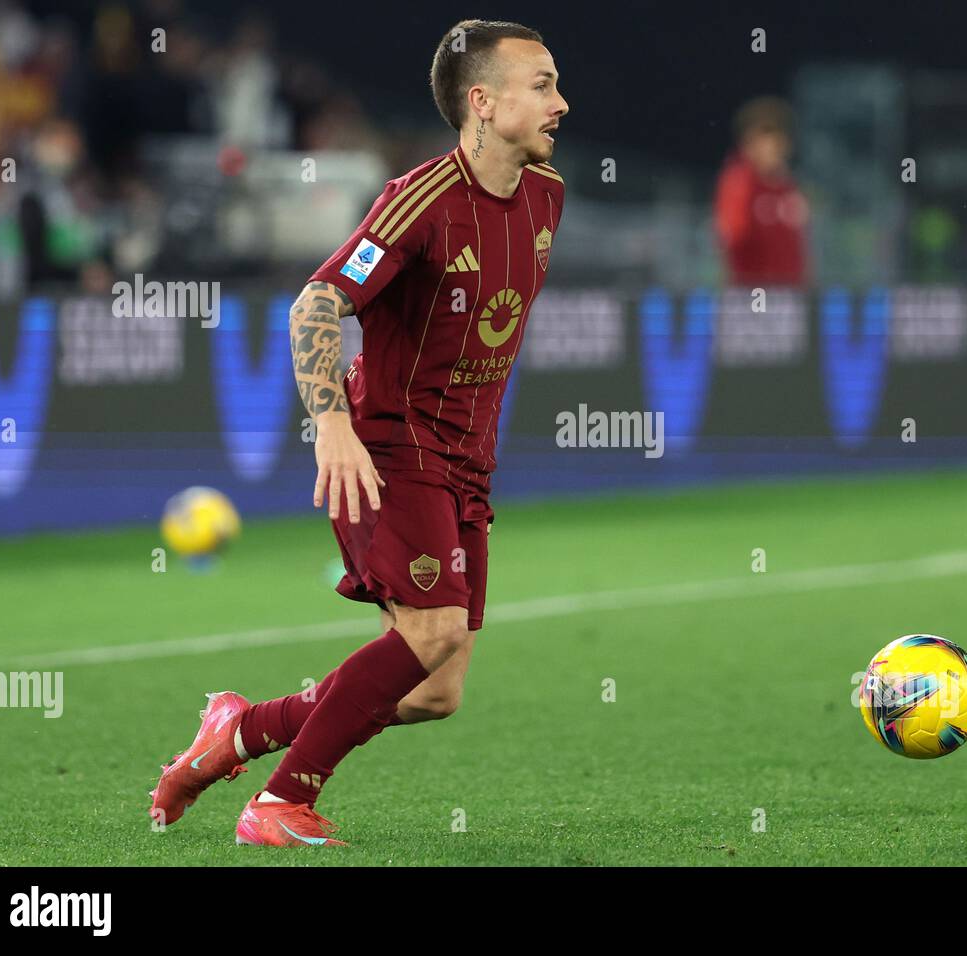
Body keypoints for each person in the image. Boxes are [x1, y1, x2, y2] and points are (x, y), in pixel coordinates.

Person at [149, 18, 569, 847]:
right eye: (543, 85)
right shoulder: (418, 202)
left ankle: (232, 732)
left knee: (434, 691)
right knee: (434, 630)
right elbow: (317, 301)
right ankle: (277, 804)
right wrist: (331, 422)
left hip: (467, 464)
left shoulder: (548, 196)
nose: (563, 102)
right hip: (388, 446)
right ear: (482, 103)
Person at [713, 96, 809, 287]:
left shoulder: (788, 187)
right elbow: (733, 236)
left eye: (777, 141)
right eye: (763, 140)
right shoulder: (739, 181)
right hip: (753, 290)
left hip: (789, 290)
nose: (772, 149)